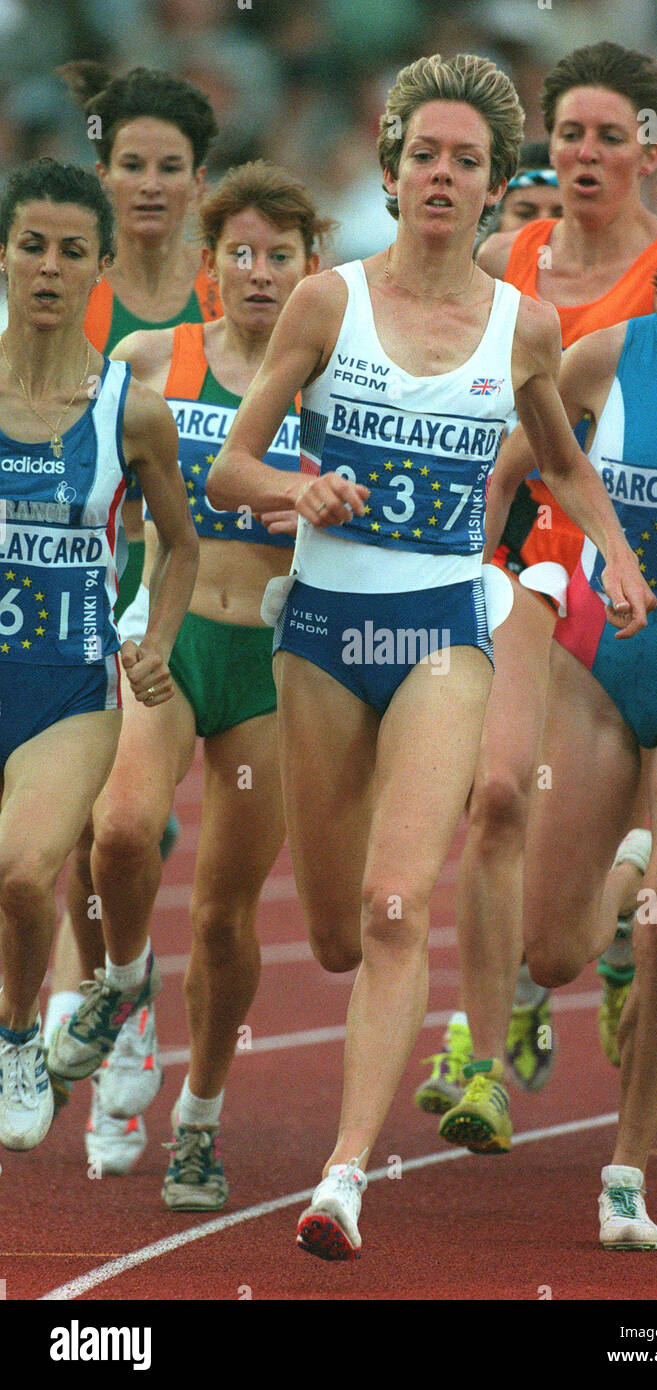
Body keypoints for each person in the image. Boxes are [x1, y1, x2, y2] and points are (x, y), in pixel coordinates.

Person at [206, 52, 653, 1260]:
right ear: (393, 167)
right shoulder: (324, 302)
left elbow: (559, 456)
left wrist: (608, 547)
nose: (444, 176)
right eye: (425, 156)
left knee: (403, 906)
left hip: (443, 630)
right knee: (346, 931)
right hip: (319, 638)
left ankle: (342, 1176)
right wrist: (301, 486)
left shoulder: (525, 325)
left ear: (494, 176)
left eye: (467, 160)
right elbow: (228, 467)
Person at [477, 161, 657, 1247]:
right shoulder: (610, 354)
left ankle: (626, 1174)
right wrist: (496, 565)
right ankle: (619, 891)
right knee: (554, 950)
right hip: (599, 663)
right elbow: (522, 461)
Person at [46, 160, 327, 1206]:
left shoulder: (330, 382)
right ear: (210, 268)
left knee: (224, 917)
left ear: (310, 270)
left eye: (281, 257)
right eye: (241, 255)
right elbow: (76, 480)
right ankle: (123, 980)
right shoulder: (148, 360)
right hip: (160, 639)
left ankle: (199, 1123)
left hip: (271, 661)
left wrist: (315, 510)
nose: (259, 274)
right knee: (117, 832)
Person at [418, 43, 657, 1141]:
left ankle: (606, 943)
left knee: (559, 940)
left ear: (650, 154)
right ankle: (475, 1053)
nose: (583, 153)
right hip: (518, 568)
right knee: (497, 799)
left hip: (634, 582)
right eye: (569, 132)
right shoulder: (500, 252)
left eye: (610, 136)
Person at [43, 62, 221, 1169]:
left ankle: (127, 997)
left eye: (170, 168)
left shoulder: (240, 285)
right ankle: (127, 1001)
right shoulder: (76, 295)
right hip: (82, 590)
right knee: (88, 837)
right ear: (103, 174)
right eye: (130, 166)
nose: (149, 185)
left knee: (133, 832)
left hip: (209, 597)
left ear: (200, 181)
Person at [0, 157, 197, 1150]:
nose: (48, 266)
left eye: (71, 250)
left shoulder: (131, 407)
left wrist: (152, 640)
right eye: (31, 245)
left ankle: (20, 1032)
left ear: (102, 268)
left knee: (28, 871)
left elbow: (182, 544)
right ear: (3, 256)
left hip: (72, 688)